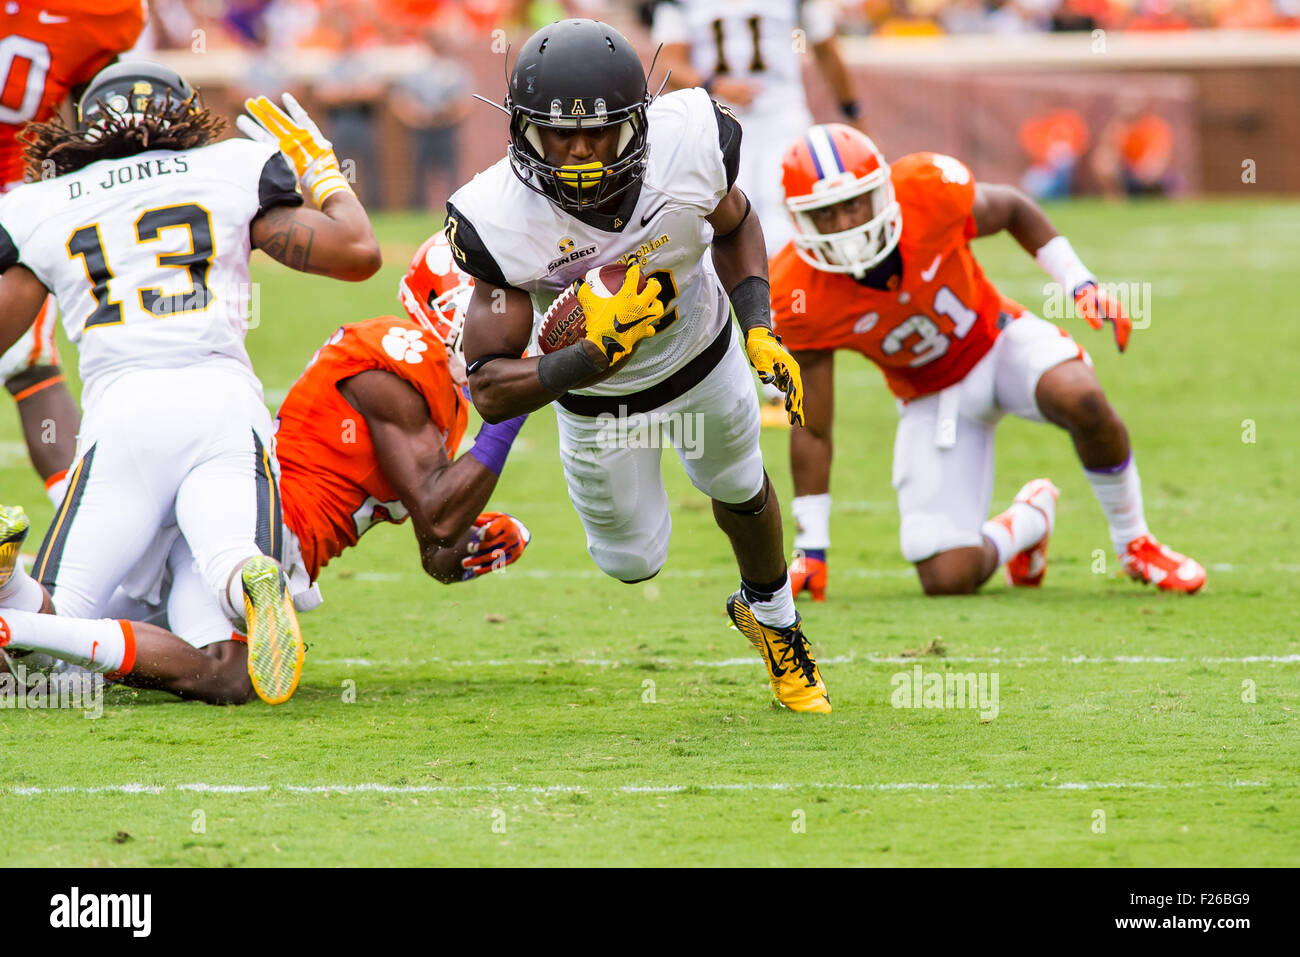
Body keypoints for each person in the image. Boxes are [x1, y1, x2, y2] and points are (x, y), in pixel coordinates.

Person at [449, 19, 831, 713]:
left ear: (642, 123)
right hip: (600, 402)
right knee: (633, 560)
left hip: (700, 352)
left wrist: (761, 328)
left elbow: (737, 222)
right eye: (559, 135)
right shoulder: (498, 217)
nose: (580, 152)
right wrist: (587, 356)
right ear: (523, 132)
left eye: (598, 131)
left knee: (740, 483)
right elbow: (490, 390)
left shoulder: (690, 143)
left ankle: (776, 624)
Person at [0, 236, 532, 704]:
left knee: (50, 656)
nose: (511, 327)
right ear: (449, 308)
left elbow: (435, 545)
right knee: (216, 675)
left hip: (228, 513)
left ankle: (11, 590)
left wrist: (473, 547)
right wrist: (517, 407)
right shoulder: (400, 360)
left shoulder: (440, 391)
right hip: (262, 524)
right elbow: (438, 514)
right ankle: (18, 612)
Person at [0, 61, 381, 703]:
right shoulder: (231, 168)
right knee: (229, 607)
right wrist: (322, 171)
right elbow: (358, 253)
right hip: (221, 407)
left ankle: (11, 595)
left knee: (52, 626)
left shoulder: (42, 206)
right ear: (183, 116)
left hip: (123, 419)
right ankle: (247, 577)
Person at [771, 124, 1206, 600]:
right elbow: (812, 427)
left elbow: (1014, 209)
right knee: (946, 577)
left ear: (882, 190)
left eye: (854, 203)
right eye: (825, 213)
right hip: (930, 398)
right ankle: (1028, 521)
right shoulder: (797, 291)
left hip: (998, 342)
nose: (845, 225)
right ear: (799, 220)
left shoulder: (925, 192)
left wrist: (1078, 282)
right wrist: (812, 548)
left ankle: (1134, 543)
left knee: (1081, 397)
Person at [0, 0, 147, 506]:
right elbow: (101, 117)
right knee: (30, 366)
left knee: (31, 365)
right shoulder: (98, 14)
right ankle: (91, 522)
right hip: (13, 204)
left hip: (15, 206)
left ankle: (88, 519)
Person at [653, 0, 867, 257]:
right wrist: (715, 85)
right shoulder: (683, 6)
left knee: (790, 219)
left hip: (783, 118)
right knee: (722, 224)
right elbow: (669, 63)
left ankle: (790, 294)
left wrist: (852, 110)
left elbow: (826, 49)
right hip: (718, 124)